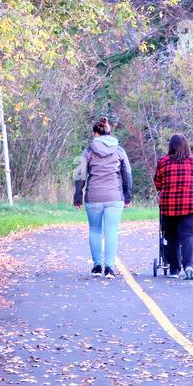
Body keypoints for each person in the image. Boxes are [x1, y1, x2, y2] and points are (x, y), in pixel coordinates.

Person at [73, 117, 132, 279]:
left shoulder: (88, 151)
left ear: (95, 133)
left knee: (95, 229)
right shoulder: (119, 150)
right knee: (111, 230)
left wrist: (77, 196)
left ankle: (97, 266)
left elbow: (80, 174)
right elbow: (127, 174)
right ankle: (110, 268)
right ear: (109, 132)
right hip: (114, 195)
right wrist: (128, 195)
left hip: (93, 196)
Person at [154, 134, 193, 280]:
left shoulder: (163, 162)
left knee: (171, 237)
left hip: (169, 206)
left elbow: (158, 183)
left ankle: (174, 270)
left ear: (171, 146)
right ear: (186, 147)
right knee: (188, 236)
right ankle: (189, 265)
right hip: (190, 206)